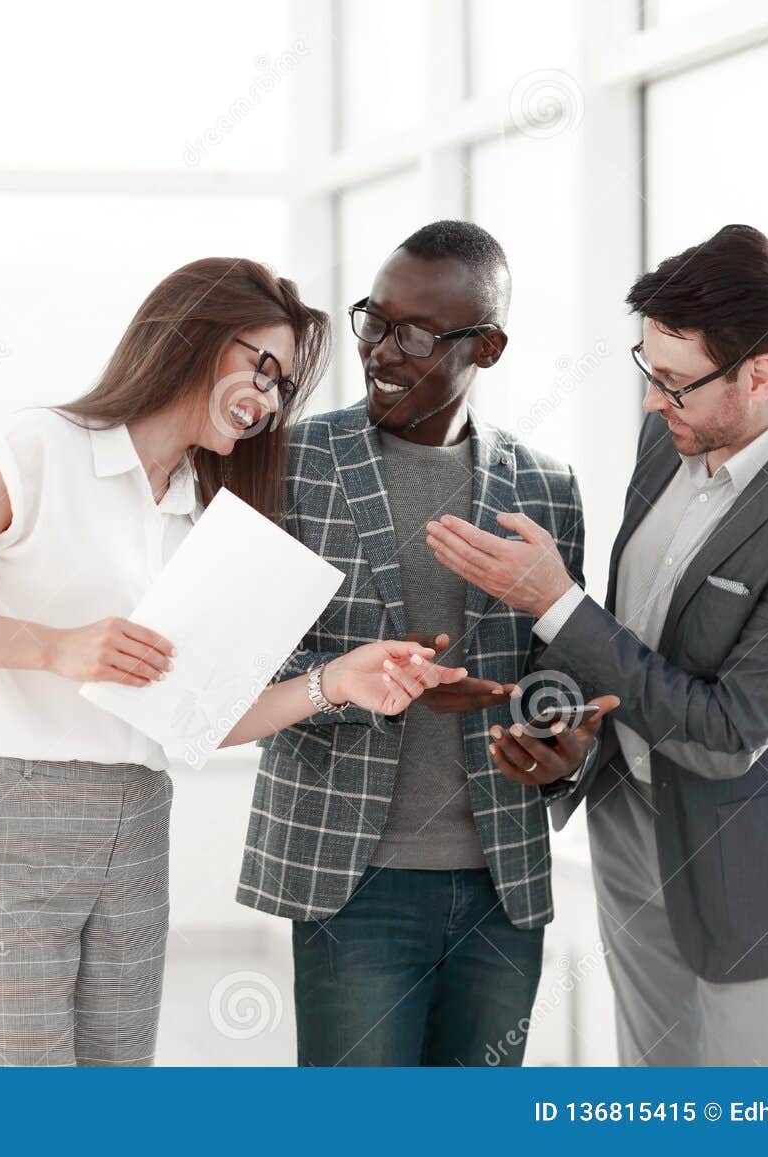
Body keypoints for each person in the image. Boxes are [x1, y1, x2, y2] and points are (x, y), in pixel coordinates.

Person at [0, 257, 465, 1067]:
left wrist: (332, 682)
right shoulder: (39, 448)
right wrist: (52, 646)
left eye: (284, 385)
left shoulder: (201, 513)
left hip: (139, 818)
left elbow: (198, 719)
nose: (269, 398)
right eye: (262, 365)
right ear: (191, 336)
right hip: (15, 816)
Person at [427, 223, 768, 1066]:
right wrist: (554, 720)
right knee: (652, 1082)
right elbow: (635, 626)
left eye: (675, 383)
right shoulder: (674, 434)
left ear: (762, 375)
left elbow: (726, 733)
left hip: (751, 861)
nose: (652, 403)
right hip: (627, 814)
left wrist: (553, 601)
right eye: (649, 373)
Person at [236, 221, 607, 1067]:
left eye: (412, 334)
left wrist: (560, 737)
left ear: (489, 345)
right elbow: (237, 665)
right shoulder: (290, 462)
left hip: (499, 883)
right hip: (352, 880)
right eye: (375, 319)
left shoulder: (548, 489)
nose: (379, 351)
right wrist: (360, 679)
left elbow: (559, 670)